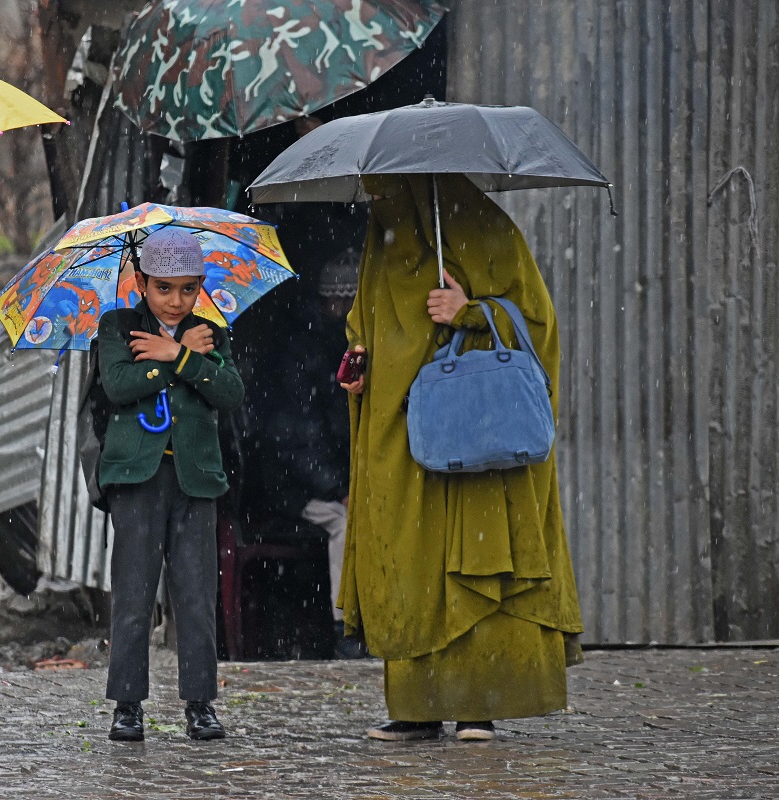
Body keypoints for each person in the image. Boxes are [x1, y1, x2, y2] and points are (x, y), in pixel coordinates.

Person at [339, 173, 584, 742]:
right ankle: (416, 706)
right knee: (411, 560)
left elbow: (539, 326)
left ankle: (480, 705)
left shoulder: (482, 230)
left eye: (390, 195)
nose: (381, 208)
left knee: (476, 557)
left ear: (424, 193)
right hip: (403, 434)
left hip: (475, 431)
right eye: (374, 197)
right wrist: (359, 362)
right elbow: (365, 321)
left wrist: (472, 312)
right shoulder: (384, 244)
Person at [96, 227, 244, 742]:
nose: (176, 300)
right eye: (163, 288)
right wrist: (181, 354)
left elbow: (228, 392)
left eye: (187, 288)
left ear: (200, 285)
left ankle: (200, 704)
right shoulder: (116, 327)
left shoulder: (213, 333)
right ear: (141, 282)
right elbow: (118, 385)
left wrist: (174, 354)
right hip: (136, 480)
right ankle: (128, 705)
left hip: (194, 481)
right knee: (133, 595)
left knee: (196, 596)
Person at [251, 248, 365, 658]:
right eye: (343, 301)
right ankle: (346, 630)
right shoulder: (301, 354)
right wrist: (339, 487)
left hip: (331, 476)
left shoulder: (352, 349)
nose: (346, 308)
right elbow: (297, 440)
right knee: (346, 521)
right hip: (293, 485)